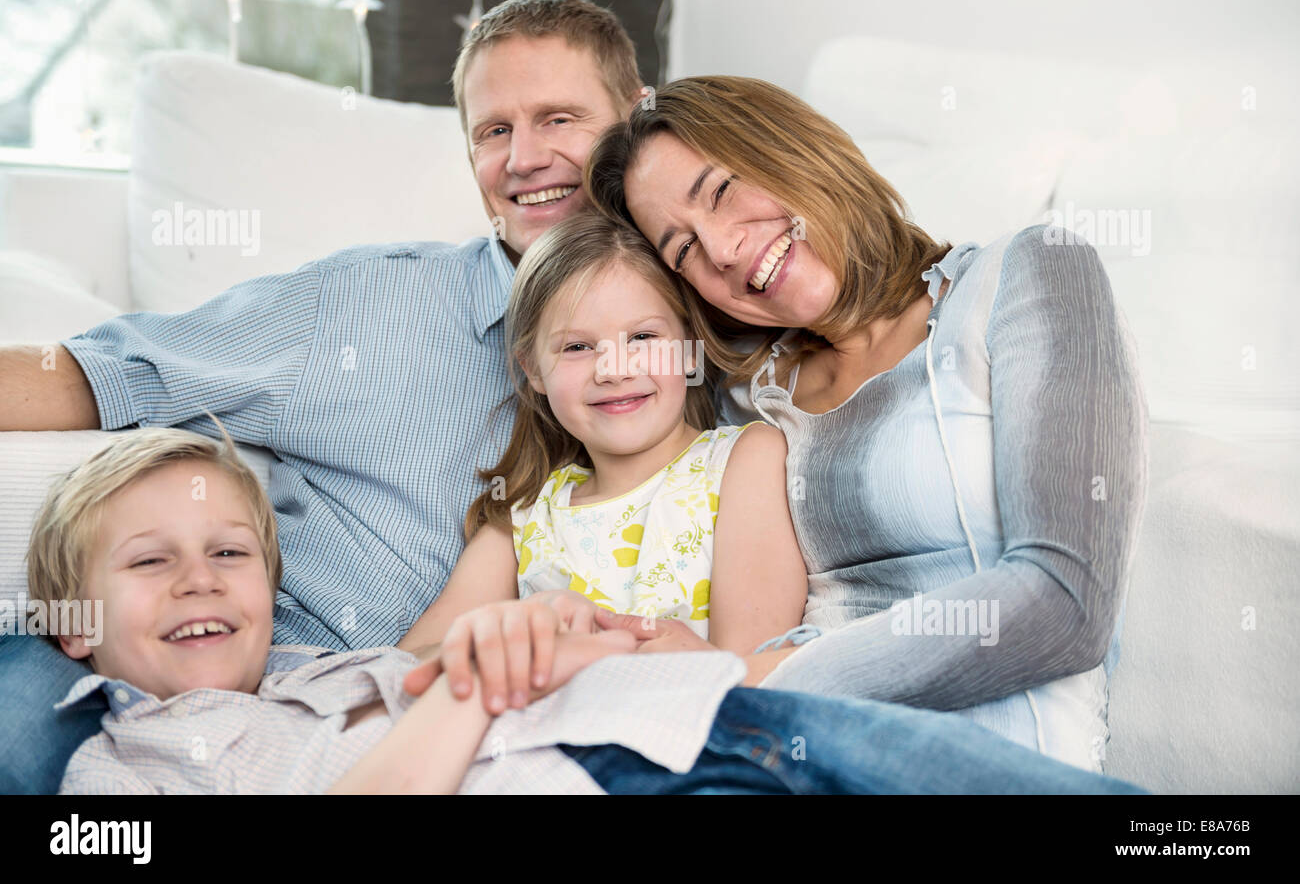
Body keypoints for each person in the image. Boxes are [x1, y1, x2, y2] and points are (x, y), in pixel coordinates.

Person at [0, 0, 647, 793]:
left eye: (559, 119)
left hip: (511, 727)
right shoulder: (360, 305)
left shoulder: (712, 320)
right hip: (258, 700)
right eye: (494, 131)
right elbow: (108, 370)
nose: (523, 158)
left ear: (635, 115)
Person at [36, 425, 1146, 794]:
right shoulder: (115, 773)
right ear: (73, 622)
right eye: (151, 562)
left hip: (664, 717)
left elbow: (474, 656)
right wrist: (479, 675)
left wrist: (571, 631)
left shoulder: (318, 666)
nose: (199, 579)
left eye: (230, 551)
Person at [582, 75, 1149, 773]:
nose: (722, 249)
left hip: (988, 768)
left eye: (721, 192)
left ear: (794, 146)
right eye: (684, 250)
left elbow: (1065, 604)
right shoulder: (752, 403)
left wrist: (746, 679)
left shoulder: (1028, 274)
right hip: (788, 760)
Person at [397, 212, 807, 713]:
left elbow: (755, 665)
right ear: (534, 372)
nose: (614, 370)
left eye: (642, 338)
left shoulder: (744, 458)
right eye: (577, 346)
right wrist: (515, 634)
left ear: (690, 352)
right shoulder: (526, 517)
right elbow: (406, 665)